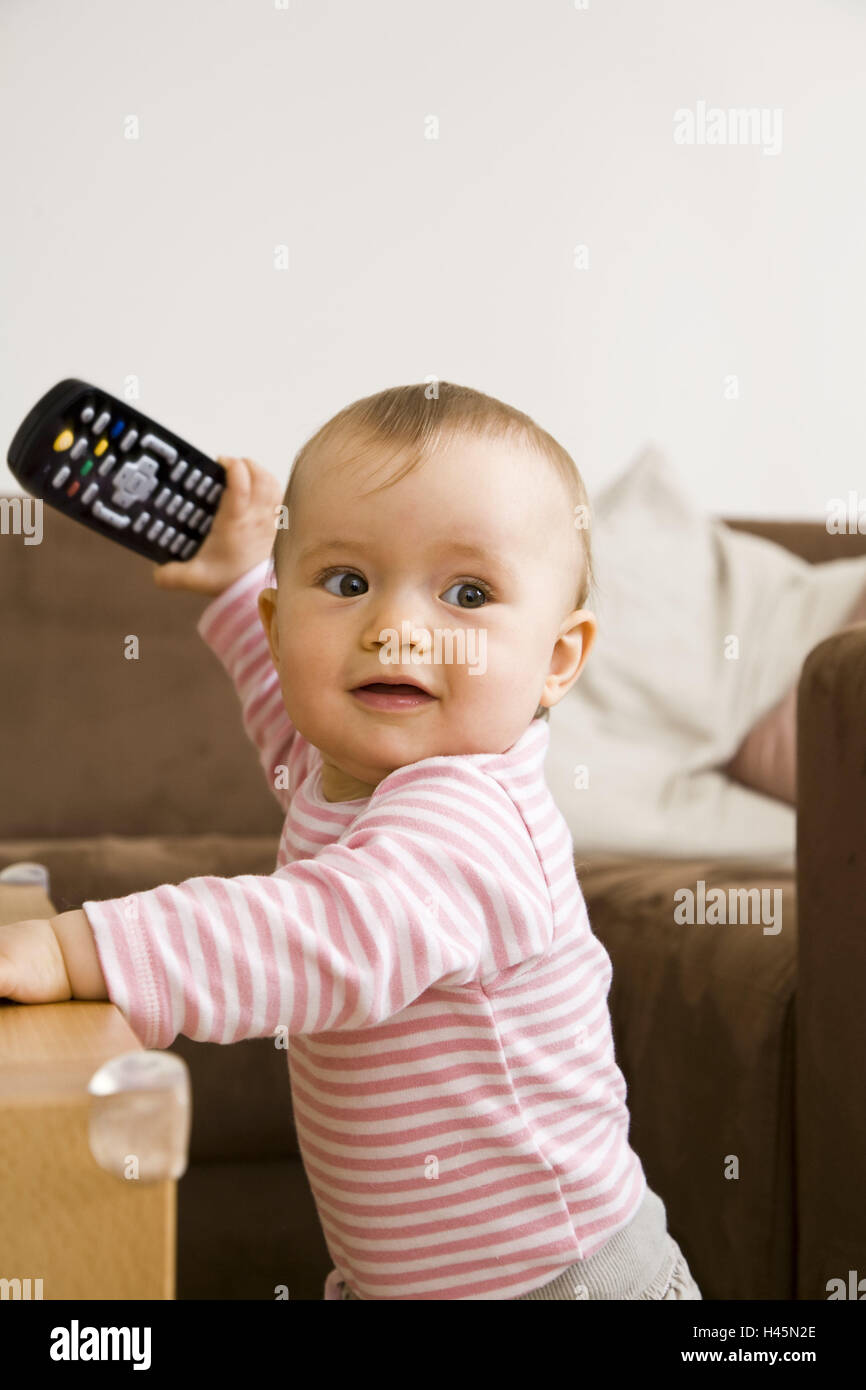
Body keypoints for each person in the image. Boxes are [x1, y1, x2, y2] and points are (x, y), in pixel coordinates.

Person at [0, 381, 701, 1301]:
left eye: (467, 592)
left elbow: (307, 934)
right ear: (283, 624)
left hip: (560, 1284)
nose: (395, 628)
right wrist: (238, 575)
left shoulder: (470, 821)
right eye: (346, 583)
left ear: (557, 659)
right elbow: (290, 711)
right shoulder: (357, 770)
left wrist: (76, 946)